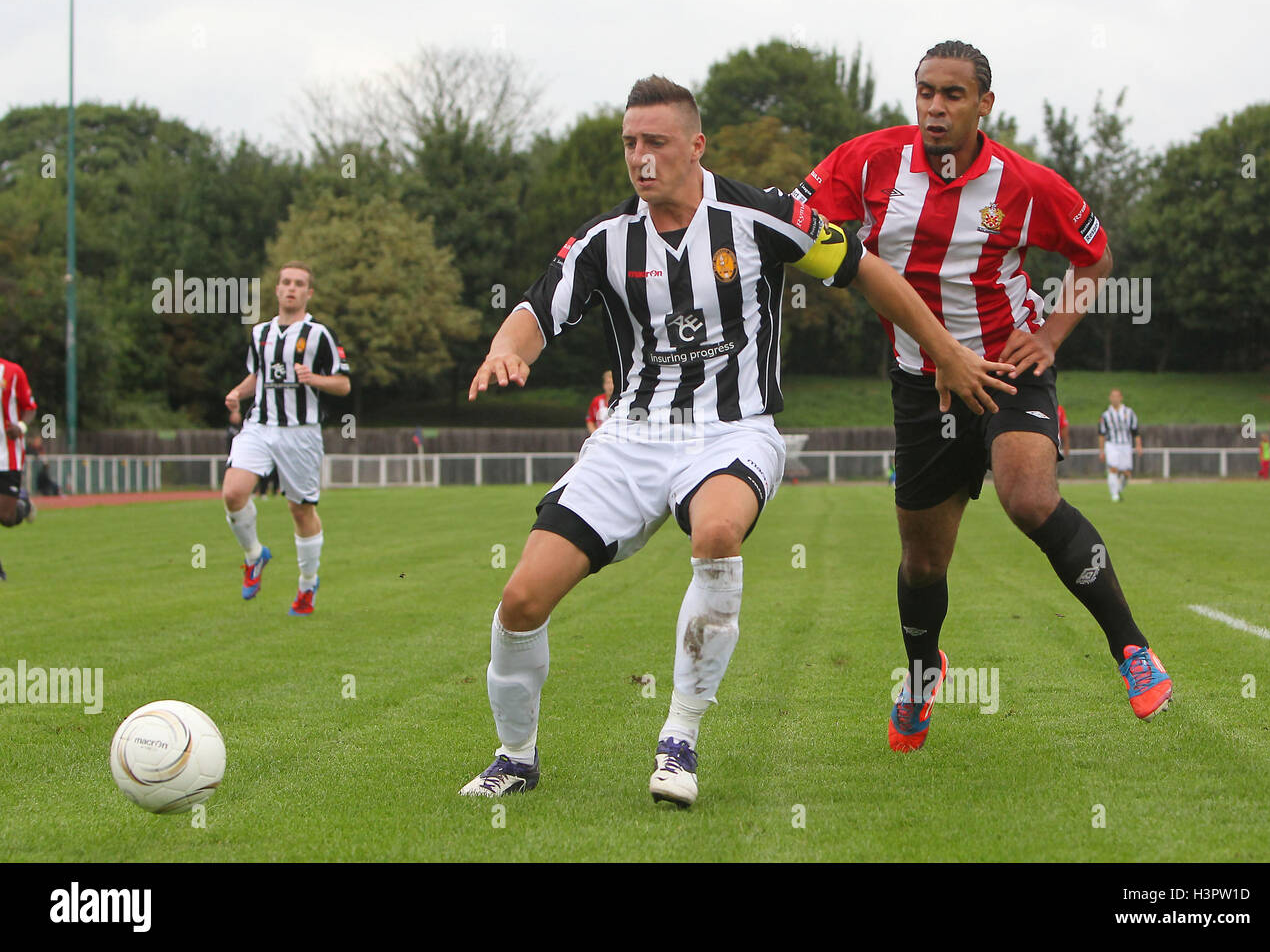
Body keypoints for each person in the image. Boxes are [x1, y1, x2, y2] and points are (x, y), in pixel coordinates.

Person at [458, 75, 1013, 805]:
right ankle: (515, 756)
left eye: (656, 142)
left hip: (732, 431)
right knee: (523, 598)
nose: (641, 158)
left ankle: (679, 739)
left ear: (696, 145)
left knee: (717, 532)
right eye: (630, 143)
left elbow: (867, 270)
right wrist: (509, 349)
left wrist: (943, 350)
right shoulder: (606, 240)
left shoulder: (760, 216)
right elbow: (537, 307)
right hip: (630, 436)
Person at [794, 40, 1172, 751]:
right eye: (926, 93)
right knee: (923, 562)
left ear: (985, 105)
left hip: (1006, 372)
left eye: (954, 95)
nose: (936, 108)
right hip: (920, 385)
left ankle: (1132, 649)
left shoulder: (1024, 185)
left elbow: (1097, 255)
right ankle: (919, 677)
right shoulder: (869, 162)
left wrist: (1052, 335)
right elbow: (803, 224)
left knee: (1028, 497)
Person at [221, 261, 351, 616]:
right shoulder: (259, 333)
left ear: (308, 293)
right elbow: (257, 377)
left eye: (299, 284)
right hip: (260, 425)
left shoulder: (320, 335)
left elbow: (343, 383)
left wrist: (314, 379)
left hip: (301, 432)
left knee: (300, 509)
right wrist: (237, 393)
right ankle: (253, 555)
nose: (291, 288)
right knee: (233, 492)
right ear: (277, 290)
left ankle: (308, 584)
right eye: (285, 282)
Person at [0, 355, 39, 581]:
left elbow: (30, 407)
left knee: (6, 516)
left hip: (8, 455)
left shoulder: (13, 372)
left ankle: (22, 504)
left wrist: (21, 426)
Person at [1098, 388, 1141, 501]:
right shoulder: (1106, 415)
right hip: (1111, 444)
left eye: (1117, 396)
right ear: (1110, 398)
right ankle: (1114, 495)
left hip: (1126, 444)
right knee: (1113, 468)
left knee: (1127, 473)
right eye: (1113, 396)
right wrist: (1101, 451)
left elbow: (1135, 431)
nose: (1115, 398)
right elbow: (1102, 434)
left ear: (1121, 397)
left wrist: (1138, 445)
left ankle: (1118, 489)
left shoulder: (1129, 412)